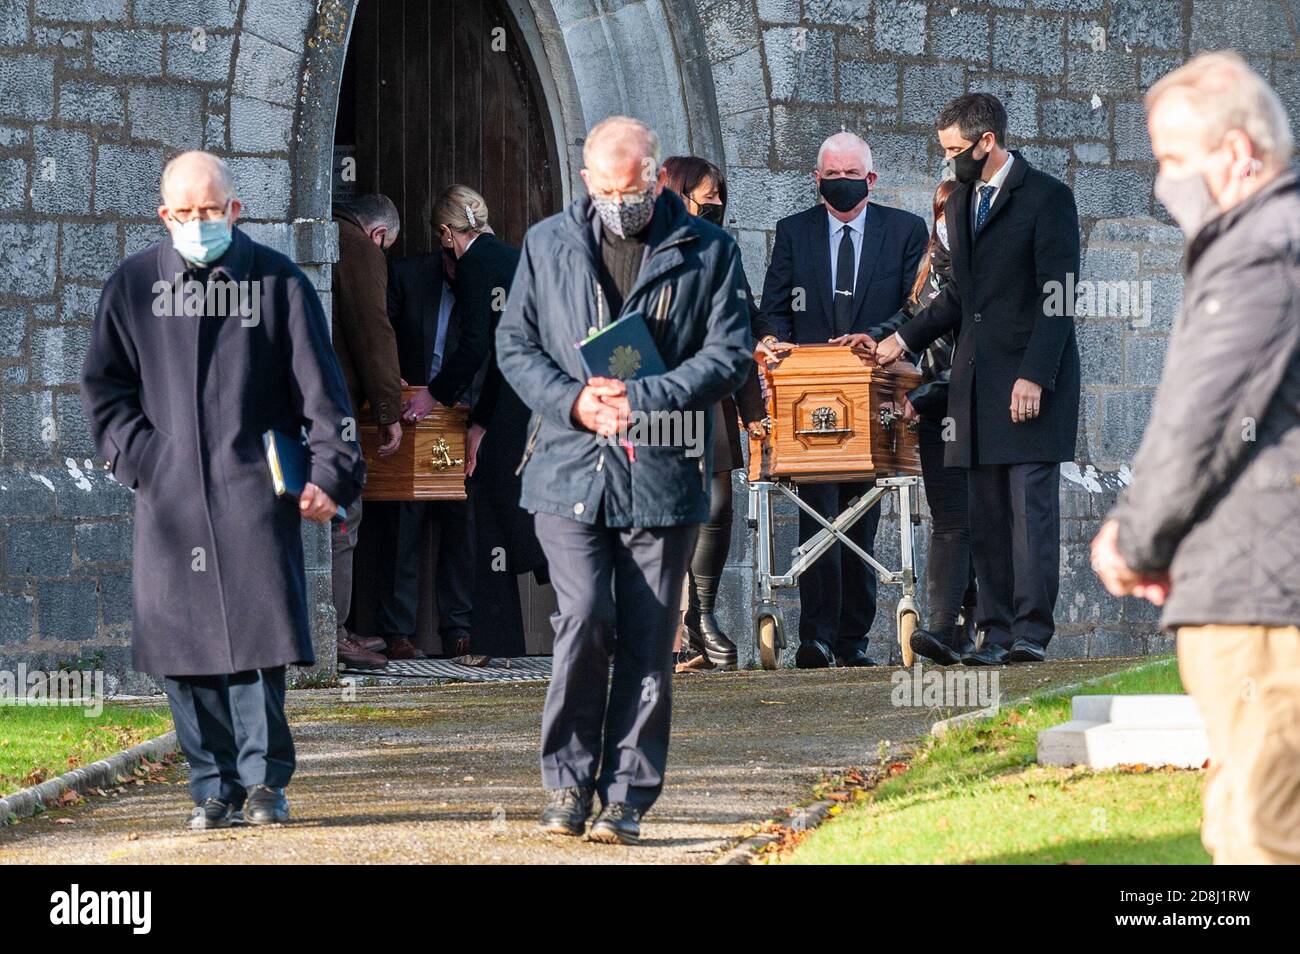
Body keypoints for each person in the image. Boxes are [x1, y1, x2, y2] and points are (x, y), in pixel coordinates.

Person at [81, 151, 364, 829]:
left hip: (251, 491)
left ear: (235, 211)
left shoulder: (277, 281)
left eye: (210, 211)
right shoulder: (132, 285)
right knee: (181, 650)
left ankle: (265, 783)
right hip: (170, 495)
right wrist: (147, 461)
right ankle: (212, 785)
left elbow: (321, 395)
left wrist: (328, 475)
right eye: (185, 213)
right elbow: (105, 392)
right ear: (164, 216)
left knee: (253, 643)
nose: (198, 223)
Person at [497, 116, 752, 844]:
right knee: (584, 617)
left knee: (648, 638)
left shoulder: (708, 250)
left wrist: (645, 396)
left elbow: (730, 354)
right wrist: (573, 400)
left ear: (655, 178)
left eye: (633, 188)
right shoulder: (547, 244)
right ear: (587, 182)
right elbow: (514, 345)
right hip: (567, 466)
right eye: (606, 189)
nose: (620, 201)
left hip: (663, 473)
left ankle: (627, 797)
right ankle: (567, 784)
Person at [1091, 52, 1299, 864]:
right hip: (1261, 577)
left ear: (1240, 154)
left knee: (1258, 833)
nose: (1163, 181)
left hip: (1264, 599)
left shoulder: (1258, 251)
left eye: (1176, 159)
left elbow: (1199, 419)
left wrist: (1136, 538)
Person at [876, 93, 1081, 666]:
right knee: (986, 514)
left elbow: (1058, 297)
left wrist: (1035, 377)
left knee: (1028, 512)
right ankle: (991, 631)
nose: (949, 162)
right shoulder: (963, 201)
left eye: (954, 150)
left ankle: (1029, 633)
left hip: (1031, 385)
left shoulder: (1047, 198)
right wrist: (903, 338)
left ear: (986, 142)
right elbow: (960, 297)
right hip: (975, 382)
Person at [755, 131, 928, 669]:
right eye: (832, 176)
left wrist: (877, 337)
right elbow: (774, 307)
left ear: (871, 180)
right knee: (816, 515)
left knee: (864, 515)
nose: (842, 184)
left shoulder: (904, 231)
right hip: (809, 399)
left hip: (873, 394)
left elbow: (916, 306)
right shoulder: (794, 232)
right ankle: (817, 637)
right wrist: (773, 346)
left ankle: (854, 639)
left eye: (851, 175)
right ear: (817, 179)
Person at [403, 185, 548, 658]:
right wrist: (482, 422)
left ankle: (505, 638)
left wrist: (434, 395)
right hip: (533, 399)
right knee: (514, 522)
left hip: (515, 408)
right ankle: (503, 639)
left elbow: (476, 348)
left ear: (447, 233)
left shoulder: (473, 268)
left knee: (501, 522)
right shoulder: (516, 257)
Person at [660, 155, 766, 670]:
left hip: (714, 399)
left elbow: (741, 329)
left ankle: (702, 617)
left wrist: (754, 411)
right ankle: (676, 623)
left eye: (720, 199)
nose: (715, 208)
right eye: (706, 198)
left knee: (717, 505)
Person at [875, 179, 978, 665]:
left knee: (965, 520)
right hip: (937, 408)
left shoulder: (974, 274)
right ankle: (952, 627)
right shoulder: (930, 272)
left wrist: (927, 394)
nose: (944, 220)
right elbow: (909, 322)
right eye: (940, 211)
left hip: (965, 404)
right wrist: (867, 339)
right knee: (951, 519)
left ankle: (952, 624)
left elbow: (971, 352)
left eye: (952, 211)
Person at [377, 208, 476, 659]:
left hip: (464, 413)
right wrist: (389, 380)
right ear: (445, 245)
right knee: (403, 524)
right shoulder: (409, 276)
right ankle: (398, 631)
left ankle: (459, 628)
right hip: (411, 408)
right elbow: (382, 332)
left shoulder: (484, 280)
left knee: (462, 525)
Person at [330, 194, 404, 670]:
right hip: (333, 403)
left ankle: (333, 624)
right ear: (379, 235)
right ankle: (332, 629)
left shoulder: (330, 231)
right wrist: (388, 409)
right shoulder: (358, 246)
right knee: (343, 511)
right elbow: (373, 329)